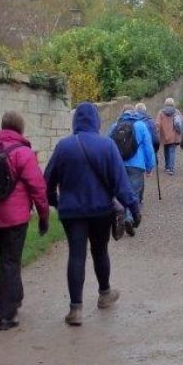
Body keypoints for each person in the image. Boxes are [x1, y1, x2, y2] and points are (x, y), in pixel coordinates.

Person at [44, 102, 141, 326]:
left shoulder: (63, 147)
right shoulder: (107, 146)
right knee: (100, 251)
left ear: (75, 121)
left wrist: (56, 203)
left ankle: (75, 309)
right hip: (100, 210)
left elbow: (46, 182)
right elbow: (121, 184)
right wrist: (134, 209)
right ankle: (105, 294)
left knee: (76, 255)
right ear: (96, 121)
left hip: (72, 212)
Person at [0, 111, 50, 331]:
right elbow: (38, 188)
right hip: (15, 218)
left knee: (7, 259)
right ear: (20, 129)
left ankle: (16, 296)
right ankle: (7, 315)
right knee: (10, 261)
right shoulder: (23, 153)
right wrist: (44, 216)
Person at [108, 104, 156, 232]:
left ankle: (121, 219)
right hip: (137, 165)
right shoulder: (141, 125)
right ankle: (129, 218)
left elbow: (108, 147)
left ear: (122, 113)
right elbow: (148, 147)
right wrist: (150, 165)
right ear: (134, 113)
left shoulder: (114, 126)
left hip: (118, 165)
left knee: (119, 193)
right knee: (133, 192)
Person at [155, 98, 183, 176]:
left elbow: (157, 124)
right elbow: (182, 121)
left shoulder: (161, 113)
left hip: (165, 136)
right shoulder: (176, 112)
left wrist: (156, 131)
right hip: (174, 135)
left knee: (166, 150)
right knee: (172, 151)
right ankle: (171, 168)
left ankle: (167, 166)